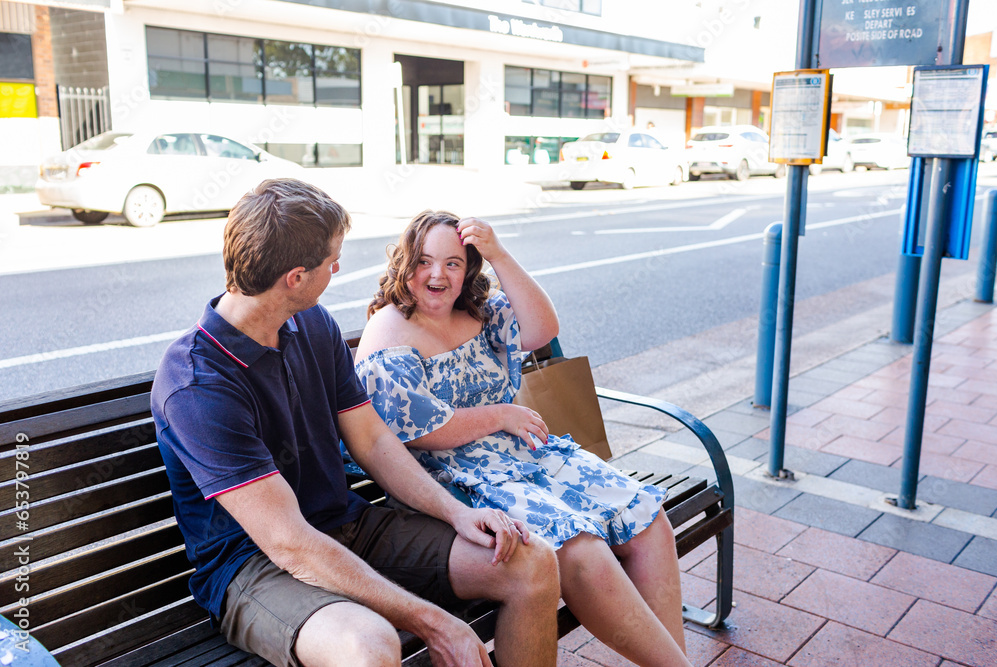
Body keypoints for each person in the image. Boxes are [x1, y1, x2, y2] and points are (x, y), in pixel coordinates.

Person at [151, 179, 560, 667]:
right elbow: (290, 544)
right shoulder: (198, 385)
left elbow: (371, 440)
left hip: (347, 525)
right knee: (368, 645)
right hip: (255, 566)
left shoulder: (310, 324)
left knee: (530, 563)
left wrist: (456, 513)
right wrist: (435, 621)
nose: (338, 268)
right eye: (331, 261)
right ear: (295, 278)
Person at [355, 211, 693, 667]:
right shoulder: (389, 328)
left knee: (648, 519)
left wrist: (498, 253)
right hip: (458, 477)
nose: (437, 274)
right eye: (424, 260)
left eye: (454, 263)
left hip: (528, 454)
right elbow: (419, 429)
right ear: (404, 263)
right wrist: (500, 414)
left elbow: (542, 329)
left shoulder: (478, 310)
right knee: (578, 548)